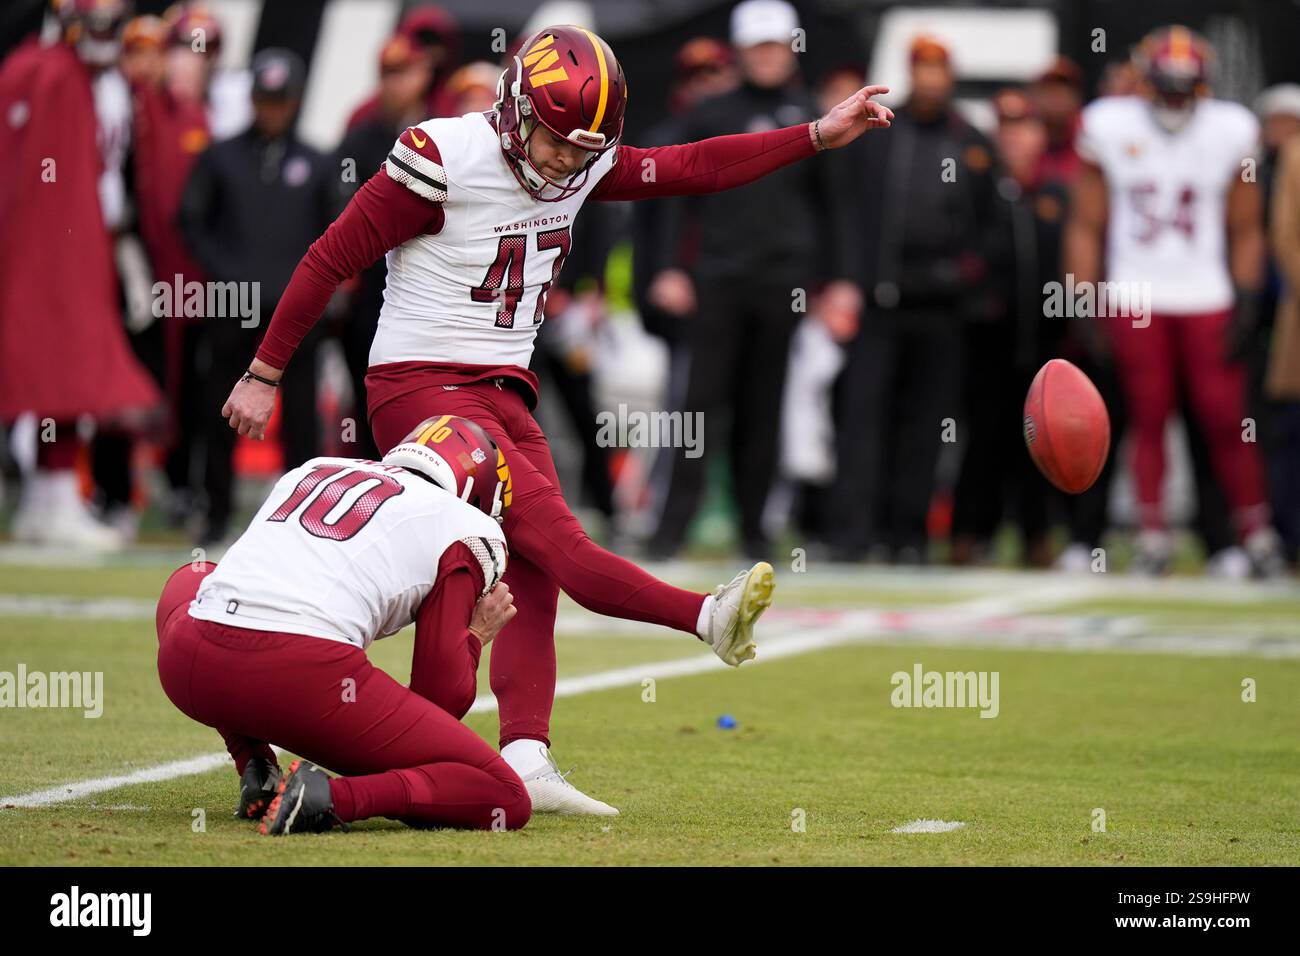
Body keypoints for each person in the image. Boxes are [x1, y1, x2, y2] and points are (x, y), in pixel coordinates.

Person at [218, 23, 890, 813]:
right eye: (556, 140)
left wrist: (815, 134)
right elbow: (331, 257)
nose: (568, 161)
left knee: (533, 566)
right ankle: (704, 617)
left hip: (505, 389)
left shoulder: (573, 154)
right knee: (560, 543)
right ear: (513, 108)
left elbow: (695, 166)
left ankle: (527, 753)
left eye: (584, 148)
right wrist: (264, 372)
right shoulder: (442, 156)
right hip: (422, 389)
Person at [156, 415, 530, 835]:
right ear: (477, 496)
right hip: (300, 678)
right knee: (506, 795)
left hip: (189, 662)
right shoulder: (468, 526)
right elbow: (438, 696)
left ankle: (255, 765)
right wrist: (475, 637)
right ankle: (328, 799)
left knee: (194, 574)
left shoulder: (315, 468)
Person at [1065, 25, 1285, 577]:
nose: (1175, 98)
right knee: (1147, 416)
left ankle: (1254, 532)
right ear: (1146, 81)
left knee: (1225, 419)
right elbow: (1087, 224)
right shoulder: (1108, 124)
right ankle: (1154, 534)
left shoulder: (1229, 129)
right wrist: (1081, 294)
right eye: (1165, 85)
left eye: (1185, 87)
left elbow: (1246, 227)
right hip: (1135, 290)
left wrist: (1248, 294)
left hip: (1205, 290)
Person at [648, 0, 861, 562]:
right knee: (696, 408)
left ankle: (756, 532)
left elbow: (836, 205)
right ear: (741, 51)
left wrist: (838, 281)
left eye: (777, 46)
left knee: (763, 411)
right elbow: (674, 195)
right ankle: (669, 529)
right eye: (759, 47)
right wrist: (670, 266)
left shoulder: (812, 116)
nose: (769, 56)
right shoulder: (709, 113)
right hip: (717, 281)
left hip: (782, 284)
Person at [0, 0, 160, 549]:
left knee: (71, 375)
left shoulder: (103, 83)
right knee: (56, 367)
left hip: (86, 237)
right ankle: (51, 495)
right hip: (52, 241)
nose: (105, 36)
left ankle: (53, 495)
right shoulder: (44, 73)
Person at [831, 35, 996, 563]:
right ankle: (855, 535)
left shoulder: (971, 139)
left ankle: (910, 537)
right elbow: (848, 210)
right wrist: (847, 281)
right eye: (921, 69)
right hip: (879, 303)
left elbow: (992, 221)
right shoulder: (881, 132)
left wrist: (967, 273)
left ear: (950, 76)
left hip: (942, 310)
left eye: (938, 70)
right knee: (863, 420)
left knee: (927, 429)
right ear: (909, 73)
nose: (929, 80)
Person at [178, 47, 335, 546]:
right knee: (220, 410)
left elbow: (337, 231)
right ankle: (216, 511)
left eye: (281, 100)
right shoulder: (220, 156)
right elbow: (189, 219)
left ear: (295, 102)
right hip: (234, 307)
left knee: (304, 418)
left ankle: (304, 521)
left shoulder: (316, 162)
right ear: (251, 99)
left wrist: (315, 287)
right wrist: (227, 272)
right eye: (265, 100)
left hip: (296, 313)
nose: (272, 110)